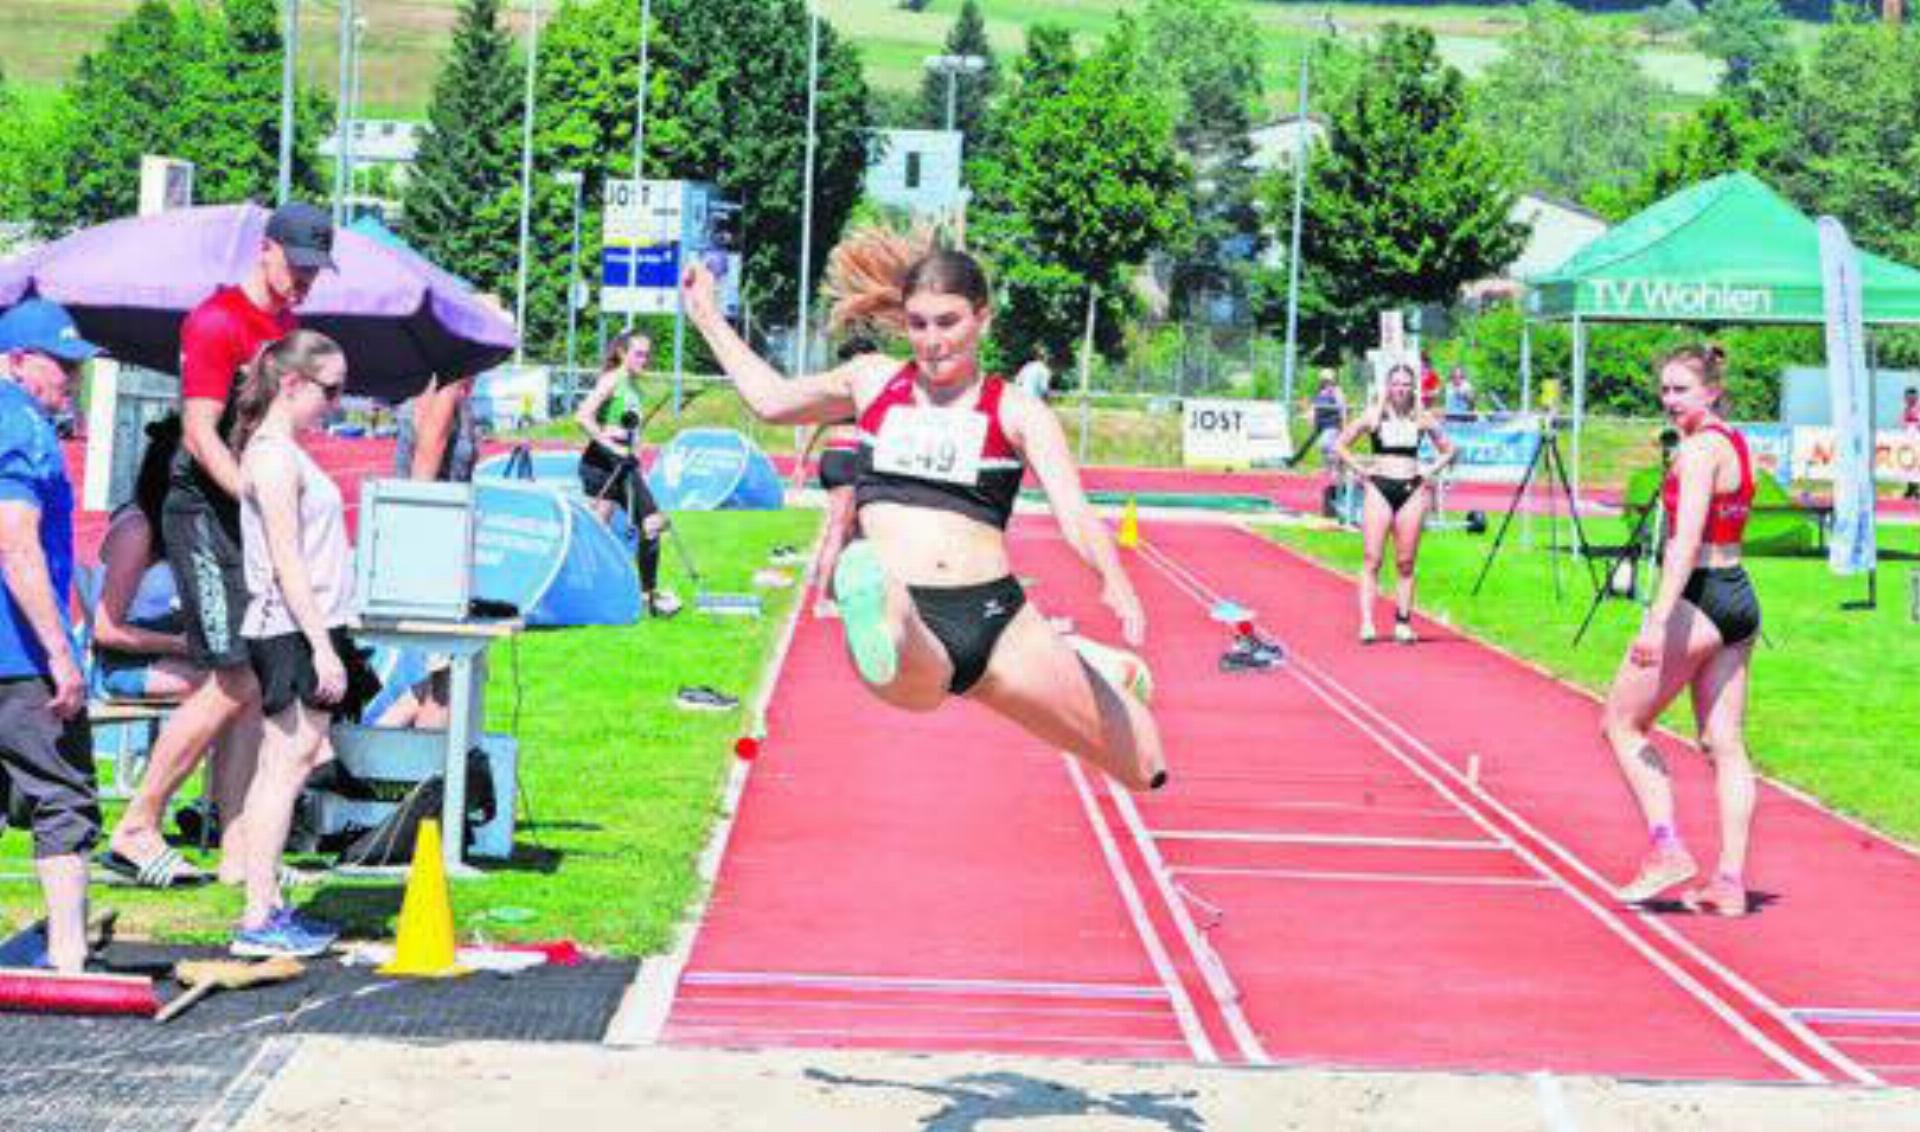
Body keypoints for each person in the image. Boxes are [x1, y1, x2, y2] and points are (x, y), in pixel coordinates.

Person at [680, 231, 1167, 793]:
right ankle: (878, 597)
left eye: (948, 322)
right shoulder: (872, 380)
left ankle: (1086, 663)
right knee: (895, 628)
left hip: (1000, 623)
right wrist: (708, 318)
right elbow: (771, 400)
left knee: (1146, 769)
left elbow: (1076, 515)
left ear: (981, 319)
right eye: (918, 324)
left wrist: (1114, 578)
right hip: (905, 616)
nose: (932, 341)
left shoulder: (1015, 410)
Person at [103, 201, 332, 887]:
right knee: (230, 674)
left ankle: (240, 847)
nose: (306, 282)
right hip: (202, 505)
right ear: (264, 251)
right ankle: (137, 825)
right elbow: (201, 434)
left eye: (317, 271)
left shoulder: (285, 327)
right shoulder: (217, 321)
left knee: (252, 677)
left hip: (241, 507)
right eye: (297, 266)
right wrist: (256, 501)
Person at [227, 331, 376, 956]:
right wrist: (321, 646)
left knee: (281, 765)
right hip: (291, 628)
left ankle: (269, 905)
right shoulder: (273, 458)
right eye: (331, 390)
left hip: (304, 624)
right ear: (291, 385)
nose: (337, 404)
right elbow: (287, 561)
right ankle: (259, 914)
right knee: (284, 771)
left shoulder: (287, 452)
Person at [1603, 345, 1760, 918]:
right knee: (1724, 743)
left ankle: (1666, 847)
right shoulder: (1738, 444)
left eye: (1680, 390)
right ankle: (1730, 881)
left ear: (1712, 391)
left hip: (1700, 596)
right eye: (1664, 390)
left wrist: (1656, 620)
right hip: (1739, 597)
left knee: (1621, 722)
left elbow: (1684, 541)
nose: (1668, 401)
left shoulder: (1697, 451)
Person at [0, 299, 103, 973]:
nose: (71, 378)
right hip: (18, 653)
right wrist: (59, 652)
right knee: (61, 795)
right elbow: (15, 542)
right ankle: (68, 955)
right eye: (59, 365)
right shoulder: (23, 427)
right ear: (15, 362)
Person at [380, 374, 483, 729]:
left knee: (449, 674)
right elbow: (425, 462)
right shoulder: (445, 388)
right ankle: (432, 779)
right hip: (436, 549)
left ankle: (360, 757)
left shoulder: (449, 387)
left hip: (440, 545)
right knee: (449, 679)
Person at [1333, 363, 1457, 644]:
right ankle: (1367, 622)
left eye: (1405, 384)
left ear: (1412, 388)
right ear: (1387, 387)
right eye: (1396, 384)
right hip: (1379, 487)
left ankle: (1403, 623)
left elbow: (1450, 449)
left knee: (1405, 562)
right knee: (1372, 558)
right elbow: (1340, 444)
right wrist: (1360, 469)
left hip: (1412, 489)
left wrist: (1430, 470)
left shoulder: (1422, 418)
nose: (1400, 389)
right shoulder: (1373, 416)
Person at [574, 332, 680, 618]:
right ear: (622, 353)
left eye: (647, 354)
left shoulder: (633, 385)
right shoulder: (612, 380)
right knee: (597, 532)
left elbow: (629, 425)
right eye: (638, 354)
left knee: (652, 523)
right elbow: (582, 415)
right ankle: (585, 593)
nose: (643, 359)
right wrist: (610, 443)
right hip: (601, 463)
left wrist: (635, 447)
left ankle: (648, 595)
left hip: (625, 464)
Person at [1901, 387, 1919, 501]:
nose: (1908, 399)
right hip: (1909, 442)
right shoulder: (1906, 409)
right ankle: (1911, 488)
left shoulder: (1917, 409)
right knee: (1910, 465)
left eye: (1911, 396)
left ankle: (1915, 489)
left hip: (1917, 440)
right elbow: (1904, 423)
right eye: (1907, 397)